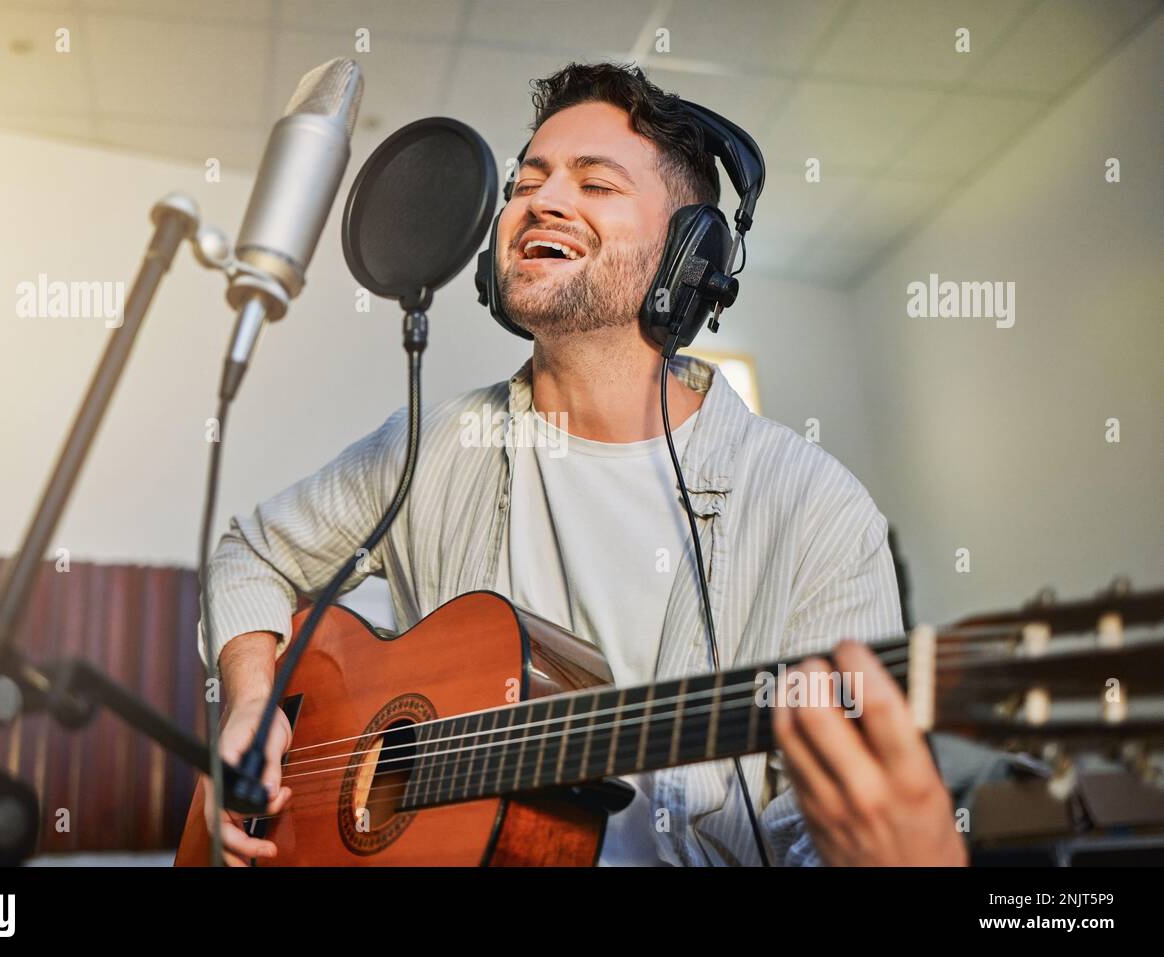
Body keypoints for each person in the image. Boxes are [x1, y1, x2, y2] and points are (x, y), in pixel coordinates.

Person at [199, 61, 968, 866]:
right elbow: (248, 555)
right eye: (528, 180)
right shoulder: (435, 444)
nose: (543, 199)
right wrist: (253, 700)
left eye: (595, 183)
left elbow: (824, 827)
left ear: (688, 258)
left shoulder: (815, 509)